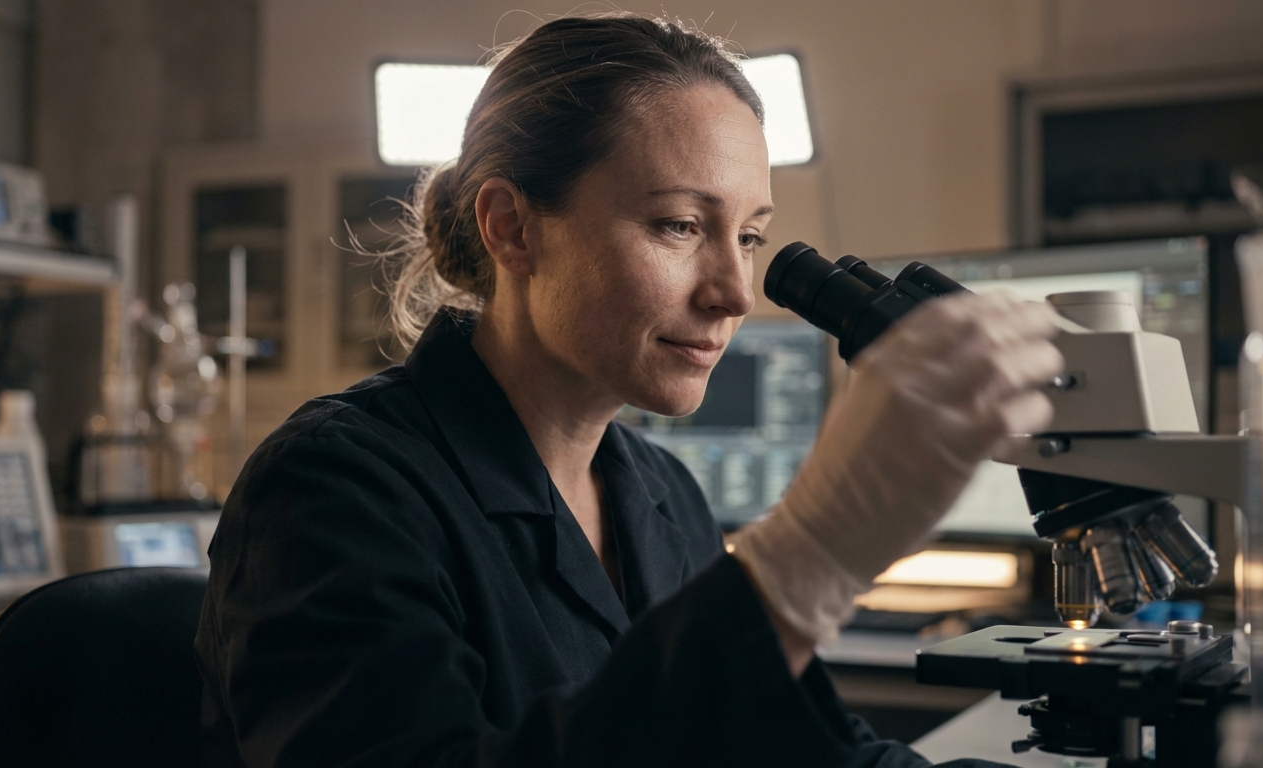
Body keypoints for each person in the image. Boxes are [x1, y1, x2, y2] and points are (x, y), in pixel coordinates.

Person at [195, 13, 1062, 768]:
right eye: (680, 226)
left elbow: (800, 751)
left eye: (751, 237)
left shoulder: (659, 496)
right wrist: (809, 560)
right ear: (512, 227)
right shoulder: (332, 490)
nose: (735, 291)